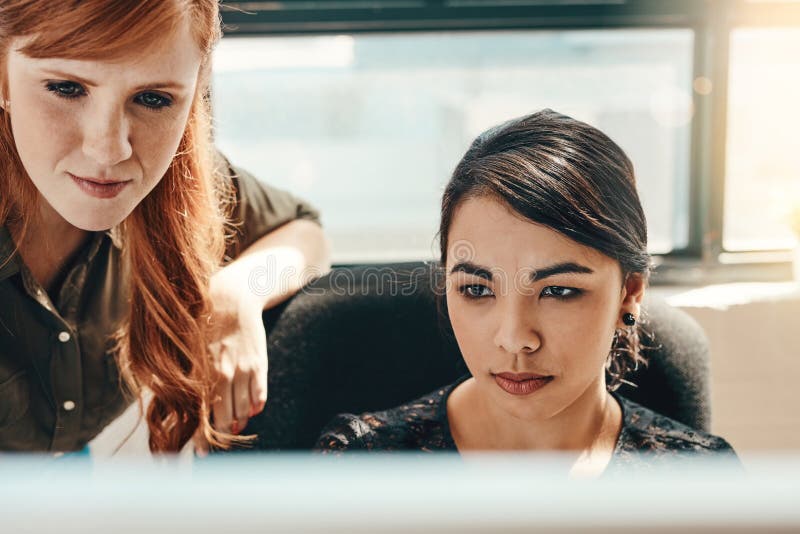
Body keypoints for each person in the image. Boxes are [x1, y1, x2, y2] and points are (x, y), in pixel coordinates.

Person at [316, 110, 736, 475]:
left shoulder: (699, 480)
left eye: (557, 290)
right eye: (477, 290)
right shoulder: (362, 466)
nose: (515, 337)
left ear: (629, 293)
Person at [0, 0, 330, 454]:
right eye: (66, 88)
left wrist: (236, 295)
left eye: (153, 99)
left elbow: (304, 235)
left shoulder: (184, 179)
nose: (108, 149)